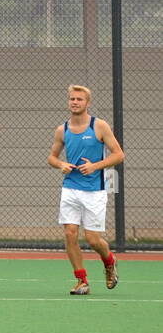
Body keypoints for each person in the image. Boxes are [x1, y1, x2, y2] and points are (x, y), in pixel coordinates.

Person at [48, 85, 124, 295]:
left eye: (79, 99)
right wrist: (60, 164)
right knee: (70, 233)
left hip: (94, 190)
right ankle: (82, 280)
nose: (74, 102)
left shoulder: (99, 126)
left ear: (87, 103)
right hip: (70, 189)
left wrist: (95, 166)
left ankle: (109, 261)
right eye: (72, 99)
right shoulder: (62, 129)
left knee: (92, 239)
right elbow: (52, 157)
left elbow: (118, 155)